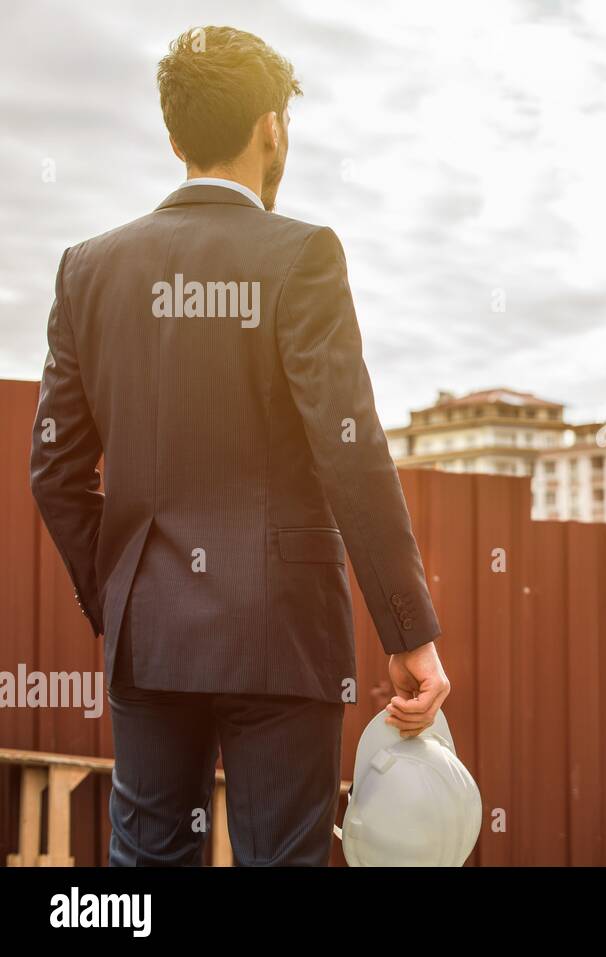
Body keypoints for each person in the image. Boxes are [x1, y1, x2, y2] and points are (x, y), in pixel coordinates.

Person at [28, 25, 449, 866]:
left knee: (142, 875)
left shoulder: (89, 268)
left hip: (150, 636)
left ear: (175, 137)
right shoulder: (303, 256)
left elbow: (54, 471)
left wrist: (122, 598)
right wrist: (409, 631)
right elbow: (351, 450)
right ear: (272, 129)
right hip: (282, 636)